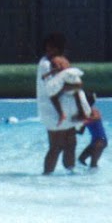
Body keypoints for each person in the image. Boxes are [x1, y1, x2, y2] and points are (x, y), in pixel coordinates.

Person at [36, 33, 79, 174]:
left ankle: (71, 172)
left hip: (66, 106)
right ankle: (46, 176)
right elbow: (52, 89)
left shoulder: (59, 60)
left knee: (71, 143)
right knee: (56, 146)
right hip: (51, 109)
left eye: (52, 49)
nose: (49, 52)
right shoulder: (45, 64)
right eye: (47, 49)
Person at [77, 89, 108, 168]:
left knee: (93, 165)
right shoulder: (84, 114)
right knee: (81, 159)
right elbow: (81, 131)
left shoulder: (94, 111)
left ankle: (96, 178)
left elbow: (96, 118)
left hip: (101, 141)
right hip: (94, 141)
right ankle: (87, 177)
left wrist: (81, 119)